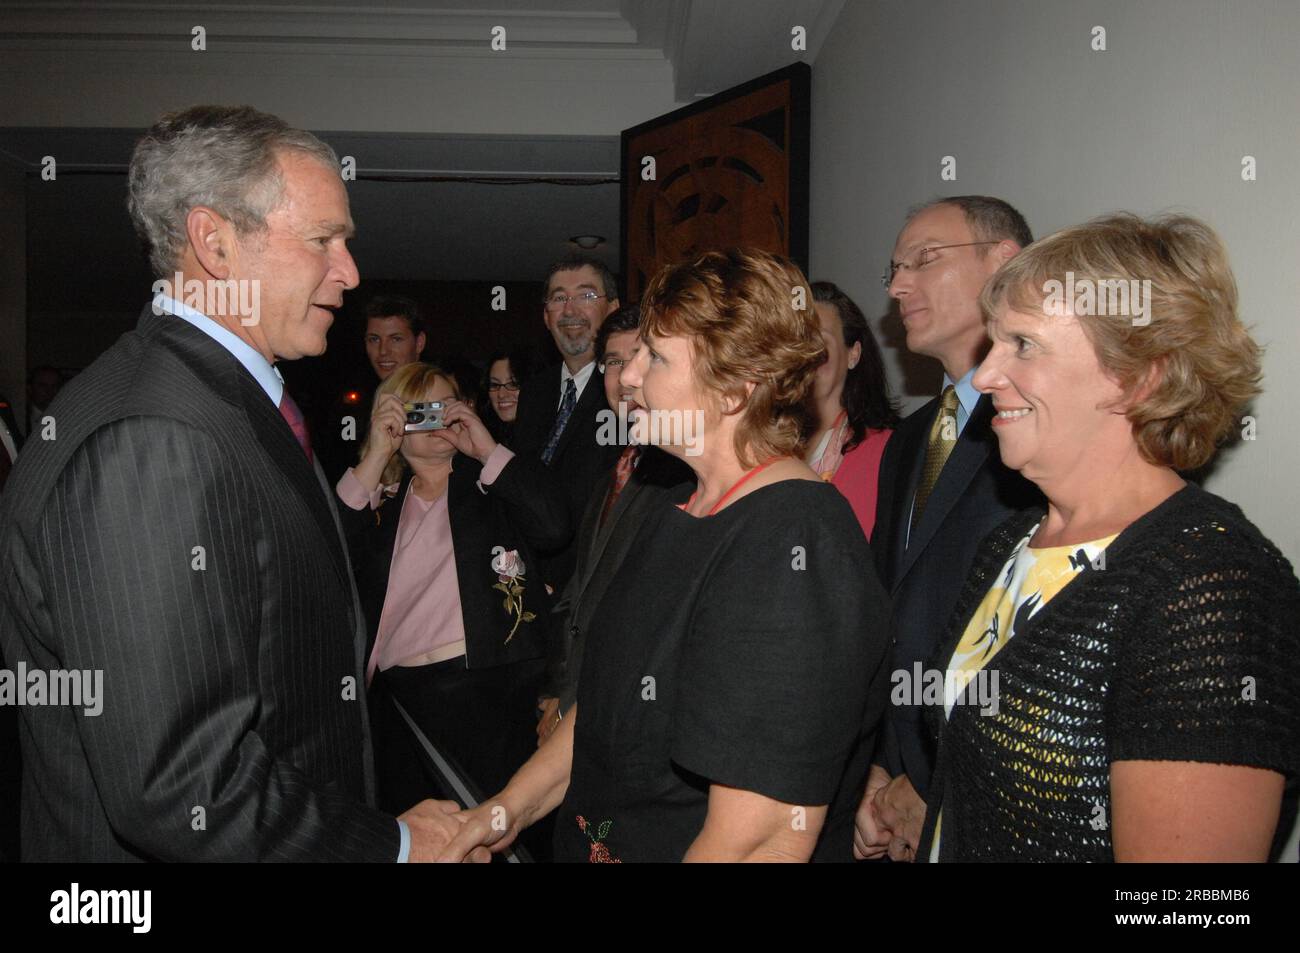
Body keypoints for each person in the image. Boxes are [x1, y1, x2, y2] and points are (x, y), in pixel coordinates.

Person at [0, 104, 464, 861]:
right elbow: (183, 785)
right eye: (324, 241)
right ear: (214, 243)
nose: (349, 272)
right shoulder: (153, 439)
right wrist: (397, 845)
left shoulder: (222, 400)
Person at [438, 248, 892, 863]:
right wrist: (501, 812)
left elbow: (760, 838)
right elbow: (602, 708)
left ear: (735, 389)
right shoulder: (676, 506)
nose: (626, 377)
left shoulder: (794, 541)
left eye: (655, 357)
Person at [918, 212, 1300, 862]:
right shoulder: (1010, 544)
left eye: (1023, 345)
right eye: (992, 344)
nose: (983, 379)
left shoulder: (1209, 585)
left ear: (1139, 375)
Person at [856, 195, 1041, 862]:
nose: (898, 285)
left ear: (1004, 263)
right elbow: (887, 611)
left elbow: (1038, 635)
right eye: (895, 268)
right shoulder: (908, 439)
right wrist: (873, 767)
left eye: (924, 260)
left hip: (988, 796)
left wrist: (934, 781)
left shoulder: (1038, 427)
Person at [336, 363, 568, 857]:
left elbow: (555, 525)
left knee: (499, 836)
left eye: (445, 407)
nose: (435, 421)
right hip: (401, 707)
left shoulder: (493, 482)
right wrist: (376, 454)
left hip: (488, 690)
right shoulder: (380, 503)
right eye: (418, 411)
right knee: (427, 845)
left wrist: (485, 447)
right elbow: (325, 555)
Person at [534, 304, 693, 745]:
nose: (626, 377)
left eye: (644, 358)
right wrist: (556, 688)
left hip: (636, 714)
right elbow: (580, 592)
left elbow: (645, 617)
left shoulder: (686, 477)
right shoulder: (615, 470)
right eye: (614, 362)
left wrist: (572, 703)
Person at [511, 255, 623, 594]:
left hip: (595, 586)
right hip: (528, 583)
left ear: (613, 310)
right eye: (559, 298)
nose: (570, 310)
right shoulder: (533, 391)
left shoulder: (627, 393)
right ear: (546, 317)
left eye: (587, 296)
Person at [807, 281, 900, 539]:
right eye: (795, 341)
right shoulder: (761, 446)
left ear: (853, 354)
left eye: (819, 344)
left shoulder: (886, 450)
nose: (804, 356)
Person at [364, 294, 427, 382]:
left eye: (396, 339)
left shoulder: (437, 392)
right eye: (374, 339)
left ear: (419, 343)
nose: (383, 351)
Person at [481, 347, 535, 444]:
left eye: (513, 384)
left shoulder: (551, 438)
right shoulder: (486, 437)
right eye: (495, 385)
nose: (501, 394)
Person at [24, 366, 61, 439]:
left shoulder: (66, 418)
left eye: (54, 386)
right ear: (30, 388)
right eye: (43, 386)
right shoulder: (20, 418)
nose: (49, 392)